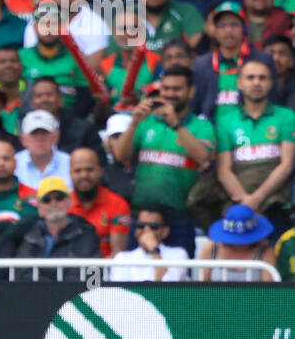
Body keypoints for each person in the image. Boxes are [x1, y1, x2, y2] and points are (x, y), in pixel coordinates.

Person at [112, 65, 216, 254]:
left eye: (177, 89)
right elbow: (121, 155)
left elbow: (203, 156)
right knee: (138, 277)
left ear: (191, 91)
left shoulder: (201, 126)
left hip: (179, 217)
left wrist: (175, 124)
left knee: (178, 279)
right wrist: (134, 122)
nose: (170, 94)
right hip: (142, 217)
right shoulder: (146, 122)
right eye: (166, 89)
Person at [213, 58, 295, 234]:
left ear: (271, 83)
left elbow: (287, 165)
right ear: (239, 83)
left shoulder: (287, 117)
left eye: (262, 78)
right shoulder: (226, 121)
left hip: (276, 203)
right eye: (250, 78)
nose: (256, 82)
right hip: (238, 204)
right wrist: (246, 203)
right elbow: (223, 170)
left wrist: (256, 199)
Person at [197, 204, 278, 280]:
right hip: (216, 295)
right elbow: (202, 286)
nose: (240, 243)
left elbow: (268, 292)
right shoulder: (211, 248)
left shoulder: (266, 252)